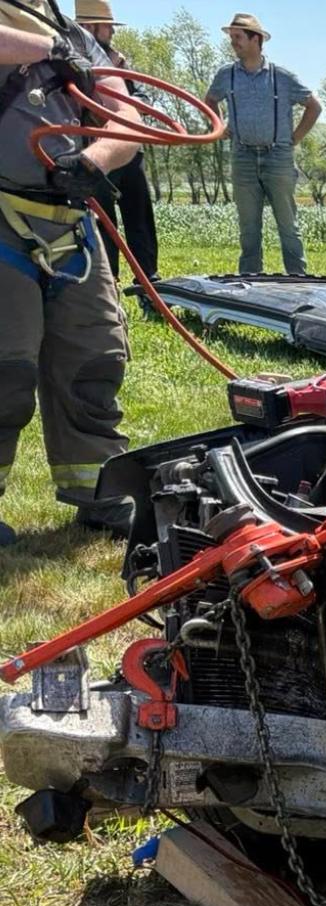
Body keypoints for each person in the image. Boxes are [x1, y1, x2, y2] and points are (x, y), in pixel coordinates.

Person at [0, 0, 143, 544]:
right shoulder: (54, 41)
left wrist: (95, 161)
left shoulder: (77, 36)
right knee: (4, 368)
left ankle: (99, 488)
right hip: (2, 217)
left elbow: (126, 116)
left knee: (95, 359)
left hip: (68, 223)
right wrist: (49, 51)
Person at [204, 12, 318, 275]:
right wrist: (219, 125)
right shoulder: (226, 75)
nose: (233, 42)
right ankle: (249, 283)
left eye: (238, 37)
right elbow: (209, 101)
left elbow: (314, 106)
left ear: (256, 40)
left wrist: (295, 138)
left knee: (288, 226)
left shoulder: (282, 77)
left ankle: (298, 281)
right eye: (232, 37)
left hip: (277, 157)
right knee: (248, 228)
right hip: (242, 156)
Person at [74, 0, 155, 280]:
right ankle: (109, 285)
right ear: (88, 27)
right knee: (102, 224)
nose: (112, 33)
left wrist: (126, 106)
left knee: (140, 221)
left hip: (129, 151)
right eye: (107, 27)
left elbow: (142, 97)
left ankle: (149, 286)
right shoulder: (70, 66)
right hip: (96, 153)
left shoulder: (119, 61)